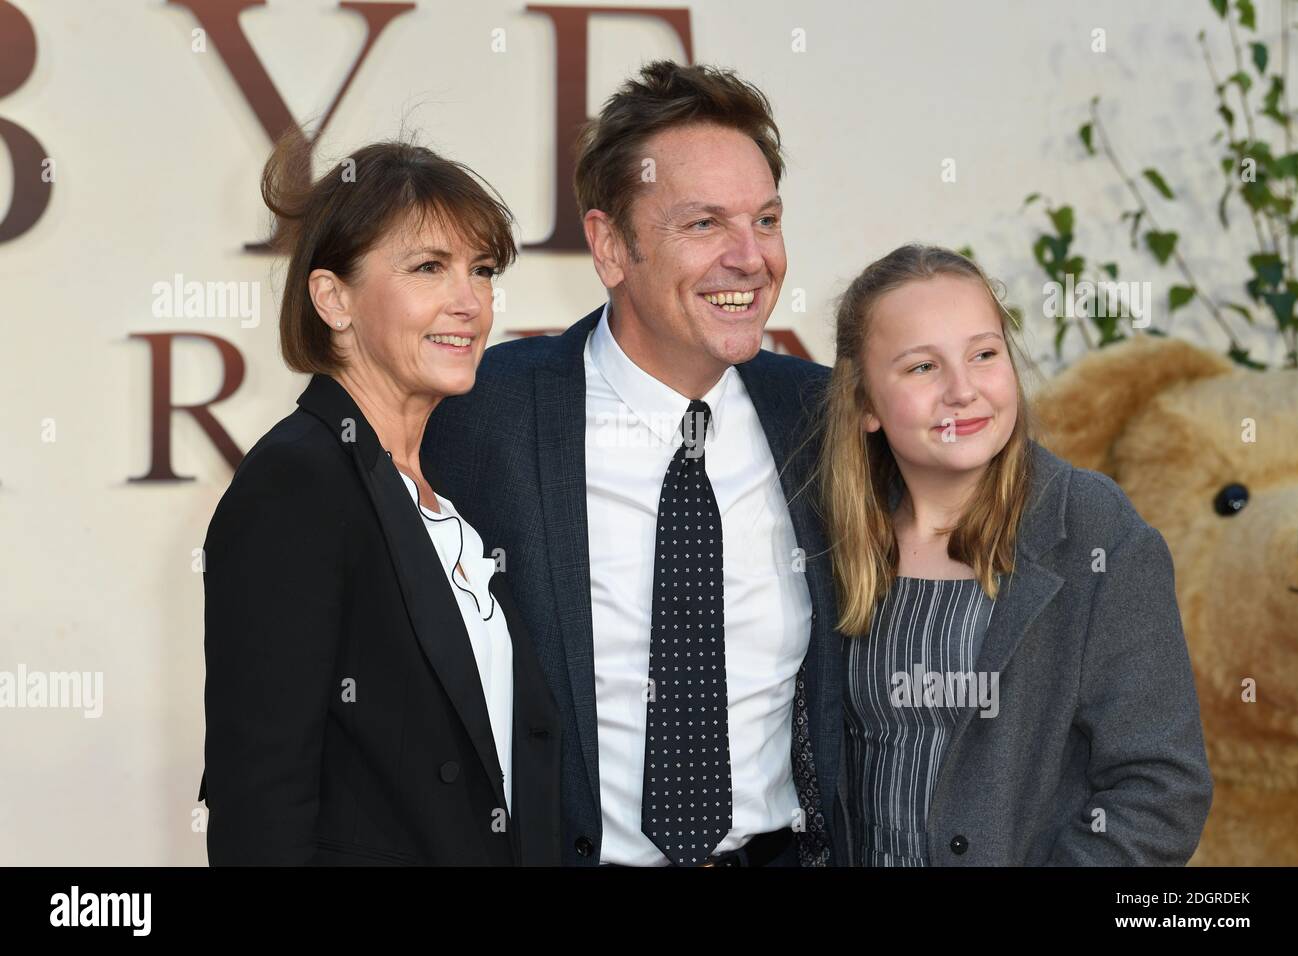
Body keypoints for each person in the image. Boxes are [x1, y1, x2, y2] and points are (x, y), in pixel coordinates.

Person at [424, 61, 840, 866]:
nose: (751, 259)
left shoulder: (820, 416)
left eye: (766, 220)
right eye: (705, 225)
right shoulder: (482, 417)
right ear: (610, 245)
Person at [198, 134, 561, 865]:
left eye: (482, 271)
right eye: (430, 268)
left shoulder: (442, 491)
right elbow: (261, 794)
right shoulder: (296, 483)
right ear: (333, 298)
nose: (470, 302)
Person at [818, 243, 1213, 865]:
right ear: (865, 402)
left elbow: (1161, 789)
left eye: (984, 354)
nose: (962, 390)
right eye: (922, 367)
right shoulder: (831, 539)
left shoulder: (1093, 529)